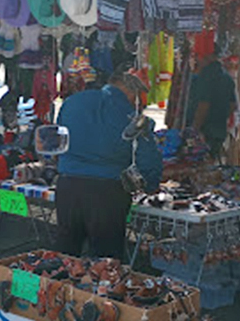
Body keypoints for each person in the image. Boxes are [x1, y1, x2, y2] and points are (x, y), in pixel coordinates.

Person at [55, 67, 163, 259]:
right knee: (106, 263)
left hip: (67, 186)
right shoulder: (131, 115)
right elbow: (147, 158)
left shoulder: (72, 102)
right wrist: (151, 184)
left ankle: (60, 287)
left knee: (66, 256)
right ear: (131, 91)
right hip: (108, 193)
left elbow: (57, 141)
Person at [188, 48, 236, 160]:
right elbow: (232, 105)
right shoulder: (227, 77)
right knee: (212, 161)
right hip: (219, 129)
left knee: (198, 163)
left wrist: (194, 129)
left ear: (207, 56)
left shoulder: (206, 76)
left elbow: (203, 105)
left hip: (205, 130)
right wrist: (220, 116)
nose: (197, 59)